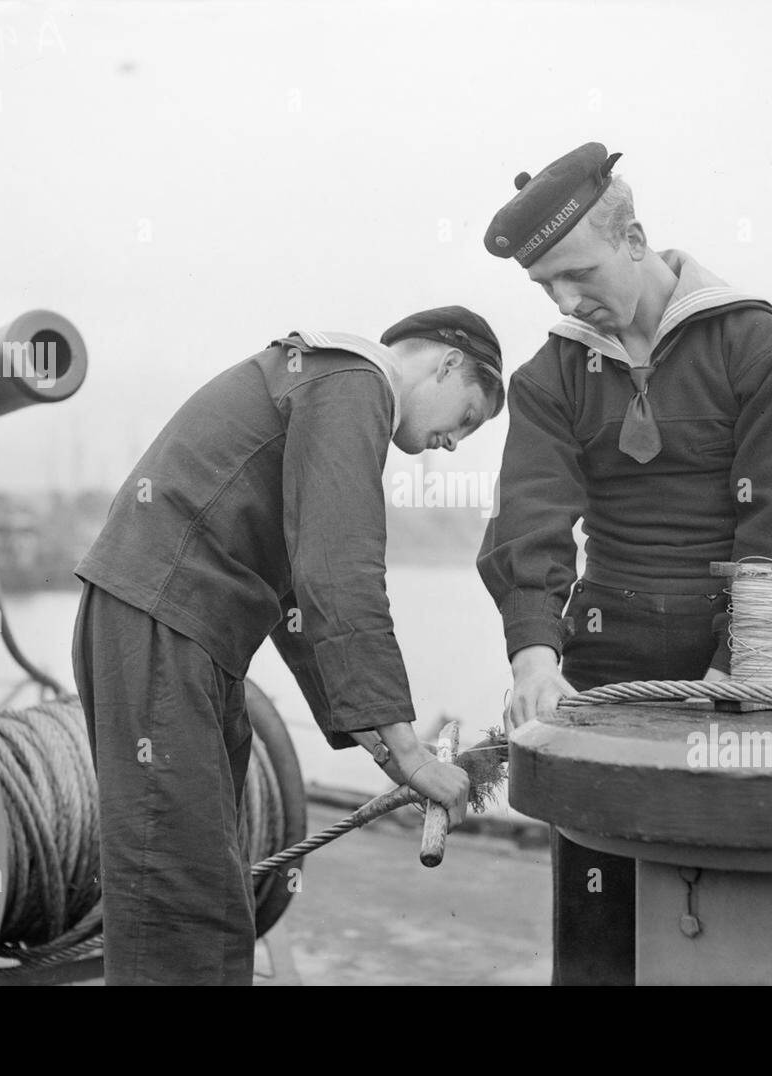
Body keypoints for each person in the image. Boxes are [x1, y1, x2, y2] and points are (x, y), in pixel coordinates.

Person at [73, 307, 505, 984]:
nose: (454, 444)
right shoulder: (355, 381)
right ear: (447, 364)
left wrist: (383, 748)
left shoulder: (327, 381)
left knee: (208, 885)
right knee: (181, 898)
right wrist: (412, 752)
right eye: (469, 417)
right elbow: (341, 573)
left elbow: (305, 600)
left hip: (178, 632)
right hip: (162, 625)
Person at [476, 143, 772, 984]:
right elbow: (532, 519)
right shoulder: (551, 376)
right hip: (606, 670)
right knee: (599, 923)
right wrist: (534, 654)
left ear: (633, 238)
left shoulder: (756, 346)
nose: (566, 301)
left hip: (738, 673)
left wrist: (739, 675)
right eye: (546, 286)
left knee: (729, 912)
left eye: (577, 274)